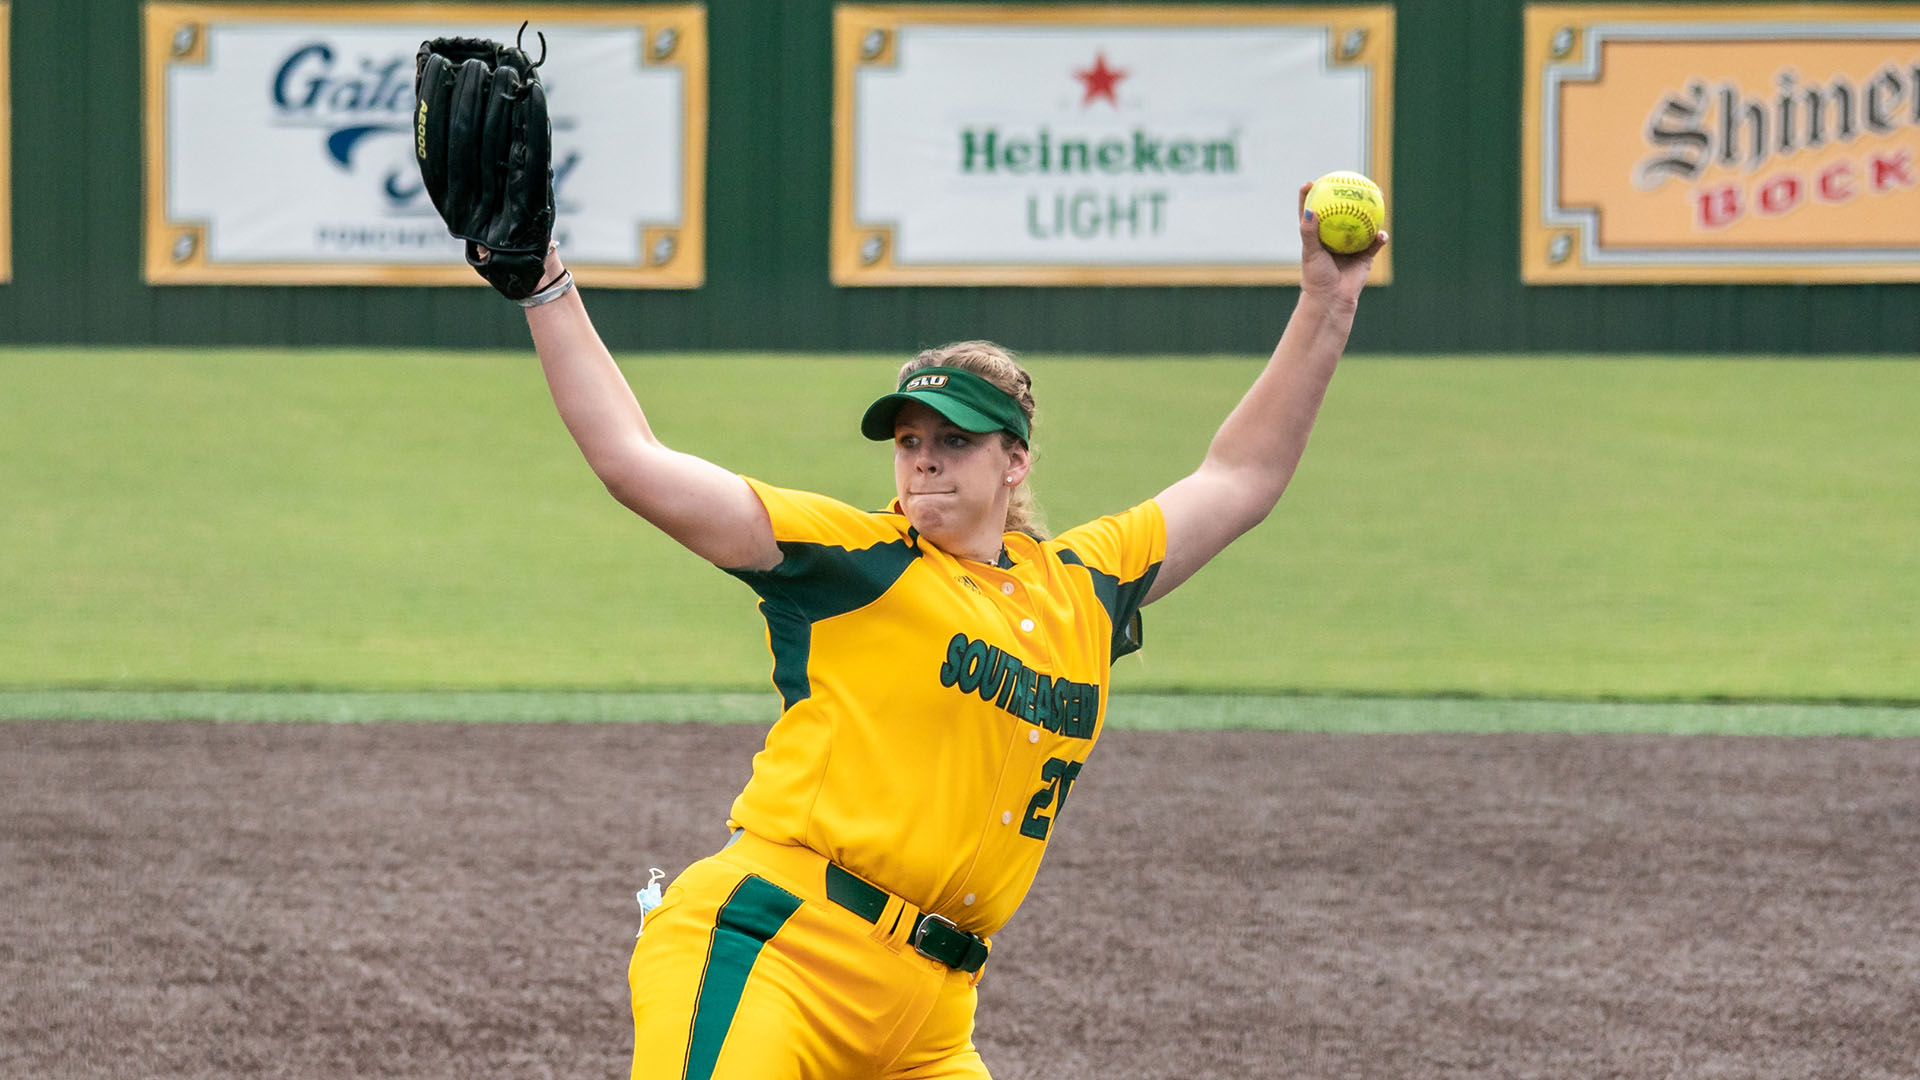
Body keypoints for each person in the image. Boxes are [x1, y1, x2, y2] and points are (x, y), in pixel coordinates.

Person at [512, 185, 1383, 1080]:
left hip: (931, 1019)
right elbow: (632, 461)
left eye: (957, 440)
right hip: (776, 952)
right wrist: (545, 284)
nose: (925, 456)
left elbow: (1241, 476)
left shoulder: (1085, 584)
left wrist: (1329, 299)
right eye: (909, 437)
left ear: (1016, 461)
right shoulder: (854, 560)